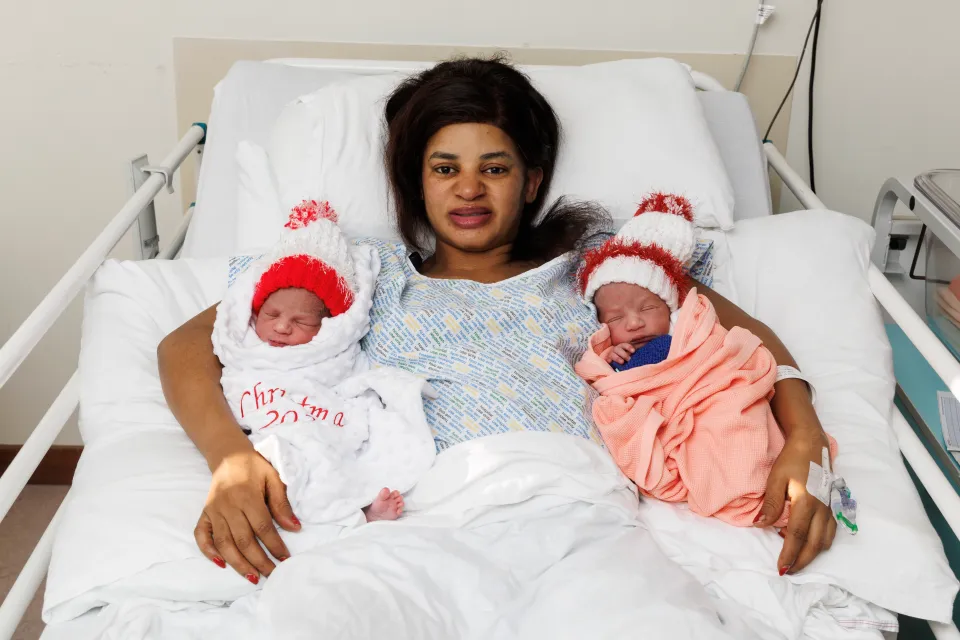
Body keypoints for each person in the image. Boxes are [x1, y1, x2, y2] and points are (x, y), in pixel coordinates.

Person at [157, 56, 836, 584]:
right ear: (415, 182)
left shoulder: (602, 269)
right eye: (444, 167)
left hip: (581, 515)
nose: (469, 188)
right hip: (426, 517)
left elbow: (747, 340)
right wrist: (231, 461)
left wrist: (803, 438)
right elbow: (186, 345)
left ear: (532, 181)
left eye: (496, 167)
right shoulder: (362, 273)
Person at [575, 193, 837, 542]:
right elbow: (612, 381)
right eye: (618, 318)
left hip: (712, 390)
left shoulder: (682, 317)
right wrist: (612, 362)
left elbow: (741, 351)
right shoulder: (612, 327)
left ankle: (748, 480)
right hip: (635, 440)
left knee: (734, 423)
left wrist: (807, 435)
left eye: (648, 308)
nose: (635, 323)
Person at [209, 199, 436, 581]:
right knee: (284, 469)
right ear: (254, 313)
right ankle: (339, 522)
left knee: (337, 461)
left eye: (300, 321)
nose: (281, 328)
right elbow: (230, 384)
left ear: (328, 327)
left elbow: (353, 381)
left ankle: (357, 514)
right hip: (272, 433)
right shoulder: (246, 353)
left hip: (322, 421)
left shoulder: (332, 353)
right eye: (272, 315)